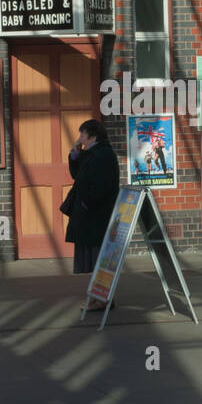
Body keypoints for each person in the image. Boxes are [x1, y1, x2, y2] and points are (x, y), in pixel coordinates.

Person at [65, 118, 120, 284]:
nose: (80, 139)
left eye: (83, 135)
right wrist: (74, 156)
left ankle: (101, 297)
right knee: (93, 260)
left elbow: (101, 186)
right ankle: (98, 296)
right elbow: (77, 175)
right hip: (89, 215)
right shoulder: (94, 154)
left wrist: (87, 202)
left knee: (98, 259)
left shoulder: (103, 155)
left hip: (95, 216)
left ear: (93, 137)